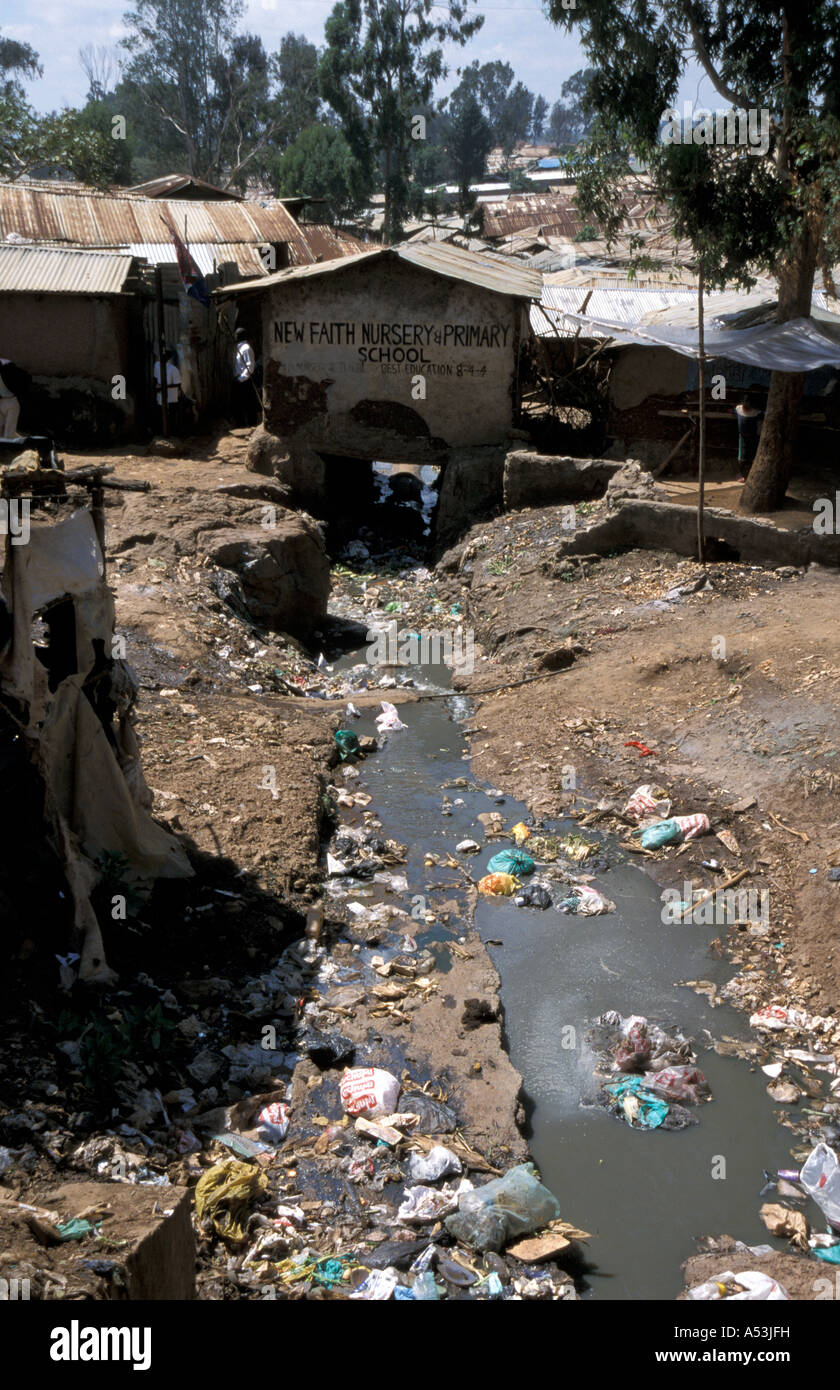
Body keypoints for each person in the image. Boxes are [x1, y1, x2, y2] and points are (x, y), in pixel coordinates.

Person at [0, 357, 32, 439]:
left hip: (11, 401)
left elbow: (24, 379)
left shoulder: (7, 367)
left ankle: (25, 442)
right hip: (2, 402)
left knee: (8, 435)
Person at [153, 349, 182, 433]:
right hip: (160, 393)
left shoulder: (173, 369)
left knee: (172, 414)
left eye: (165, 356)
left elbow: (177, 384)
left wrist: (164, 387)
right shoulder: (157, 365)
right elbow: (155, 377)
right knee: (160, 412)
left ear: (168, 358)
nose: (162, 358)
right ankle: (160, 431)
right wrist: (156, 387)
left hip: (171, 395)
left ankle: (172, 431)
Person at [734, 393, 762, 474]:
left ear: (751, 404)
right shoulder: (738, 409)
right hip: (742, 437)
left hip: (753, 437)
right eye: (744, 402)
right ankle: (741, 474)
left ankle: (750, 473)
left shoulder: (755, 412)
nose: (745, 404)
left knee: (752, 456)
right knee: (741, 458)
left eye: (747, 403)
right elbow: (733, 410)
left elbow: (763, 414)